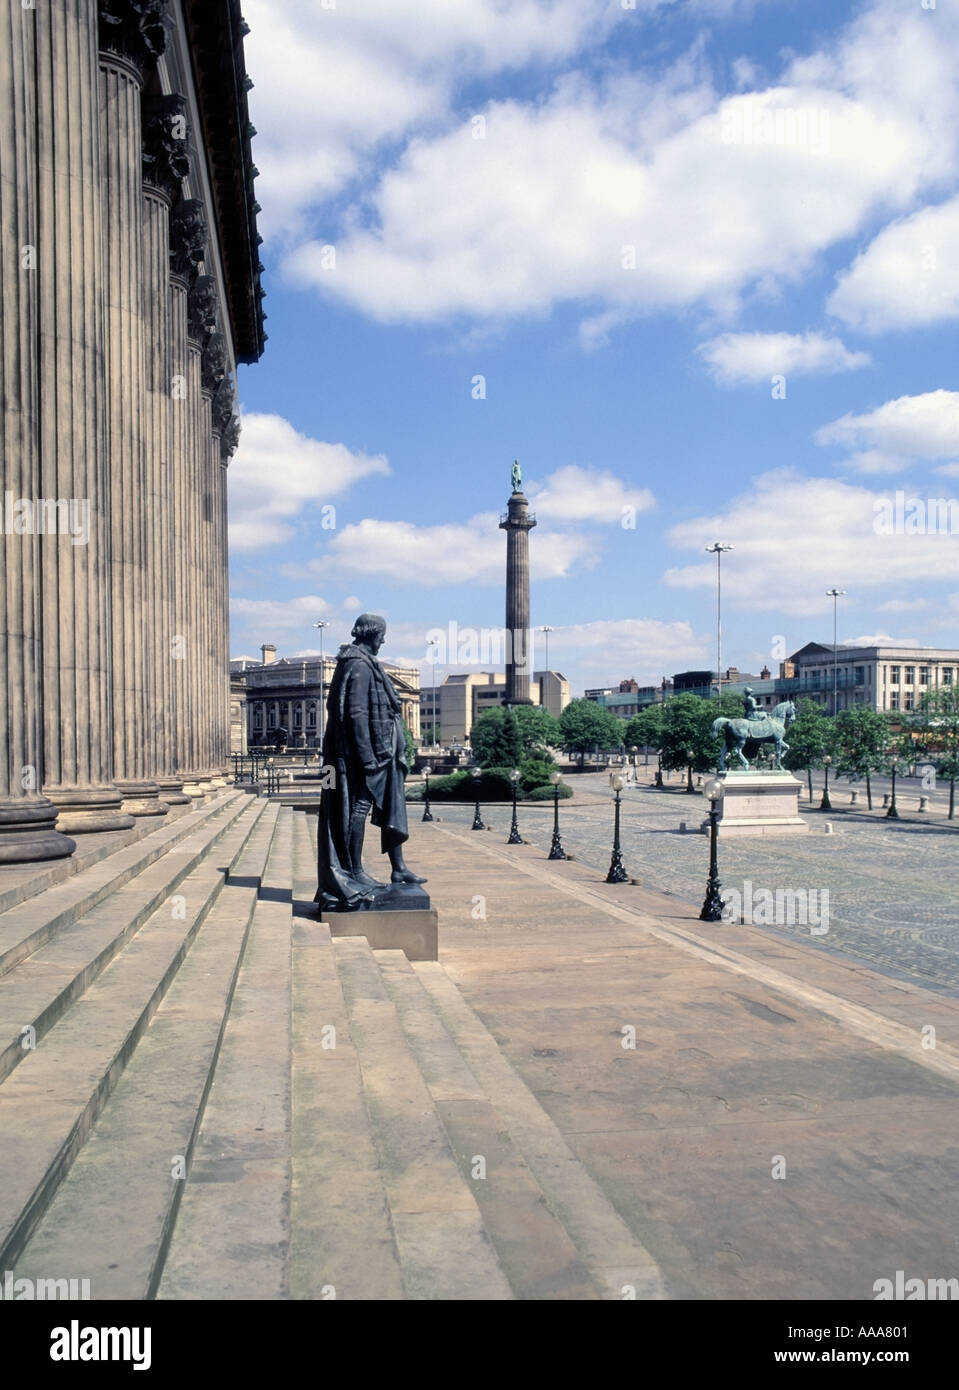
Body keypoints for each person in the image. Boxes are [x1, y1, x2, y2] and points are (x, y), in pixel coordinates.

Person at [315, 614, 426, 911]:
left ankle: (392, 867)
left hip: (376, 754)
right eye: (382, 635)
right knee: (355, 811)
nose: (384, 641)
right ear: (372, 634)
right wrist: (367, 758)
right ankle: (353, 872)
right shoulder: (359, 665)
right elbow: (356, 714)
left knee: (379, 806)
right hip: (361, 757)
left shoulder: (361, 662)